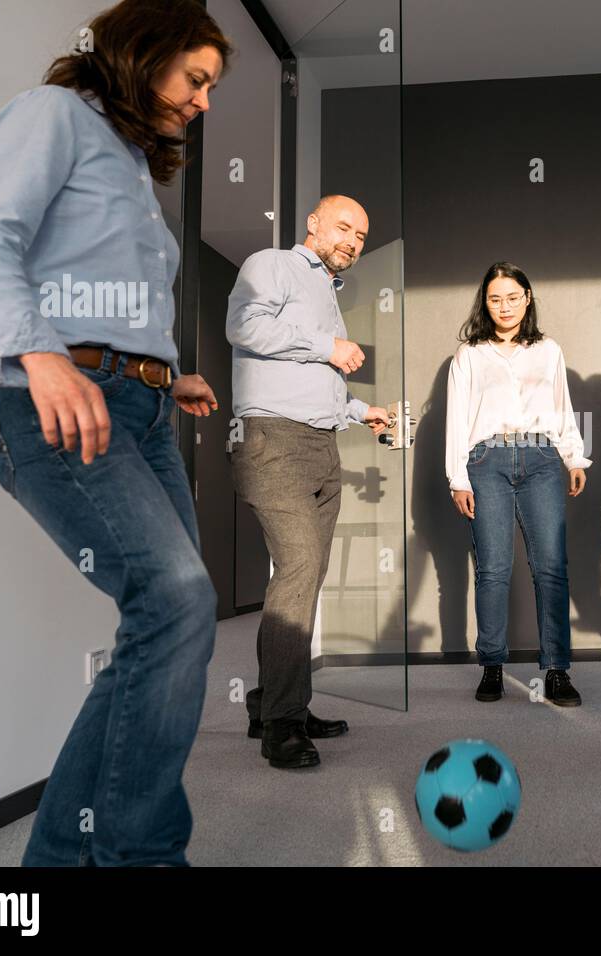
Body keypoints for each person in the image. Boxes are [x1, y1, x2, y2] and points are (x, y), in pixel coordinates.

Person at [0, 0, 228, 865]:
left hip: (132, 408)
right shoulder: (54, 115)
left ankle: (62, 859)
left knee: (173, 614)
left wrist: (159, 373)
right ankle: (141, 857)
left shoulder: (135, 168)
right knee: (176, 600)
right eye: (197, 79)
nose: (204, 103)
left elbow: (103, 295)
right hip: (50, 403)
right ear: (146, 54)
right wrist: (41, 353)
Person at [226, 195, 391, 770]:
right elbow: (243, 325)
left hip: (320, 444)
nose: (352, 240)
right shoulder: (272, 264)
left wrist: (363, 411)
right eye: (343, 226)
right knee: (298, 569)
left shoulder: (325, 293)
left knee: (305, 577)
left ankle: (272, 701)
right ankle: (283, 724)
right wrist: (330, 347)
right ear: (313, 224)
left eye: (362, 236)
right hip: (274, 441)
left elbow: (316, 384)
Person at [445, 262, 590, 705]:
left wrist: (575, 456)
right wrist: (457, 477)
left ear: (527, 298)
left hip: (542, 458)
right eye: (494, 298)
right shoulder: (469, 355)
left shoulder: (548, 350)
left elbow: (563, 407)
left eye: (512, 297)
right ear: (484, 303)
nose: (504, 306)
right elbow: (456, 419)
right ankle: (492, 665)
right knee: (492, 568)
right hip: (486, 460)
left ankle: (556, 670)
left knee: (551, 567)